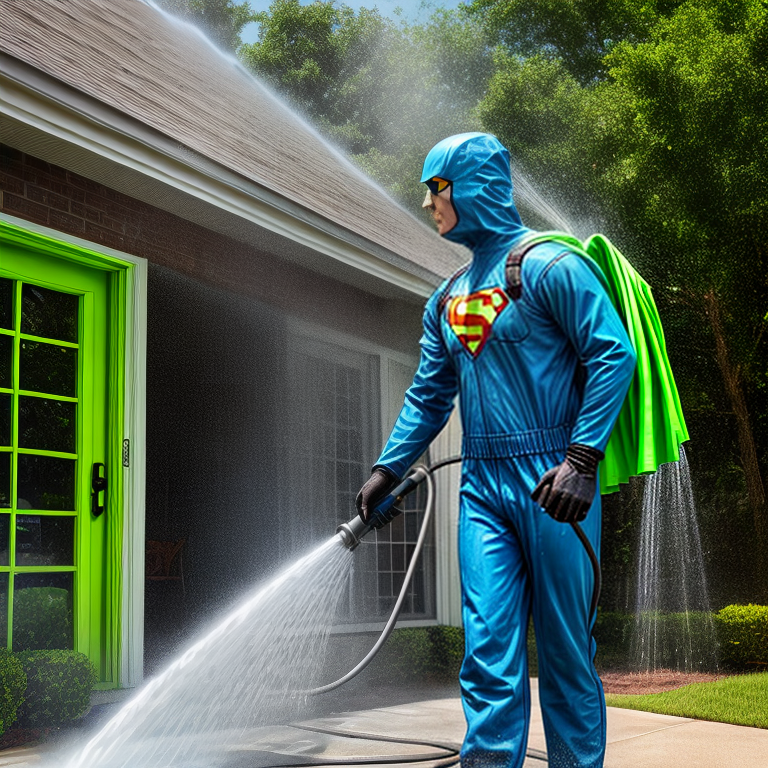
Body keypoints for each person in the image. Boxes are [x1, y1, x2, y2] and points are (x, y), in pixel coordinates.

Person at [356, 133, 636, 768]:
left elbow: (612, 353)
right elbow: (429, 395)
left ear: (473, 186)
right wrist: (387, 469)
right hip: (481, 486)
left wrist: (583, 460)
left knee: (566, 652)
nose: (428, 202)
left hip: (553, 480)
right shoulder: (447, 297)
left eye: (437, 187)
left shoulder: (549, 266)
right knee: (487, 652)